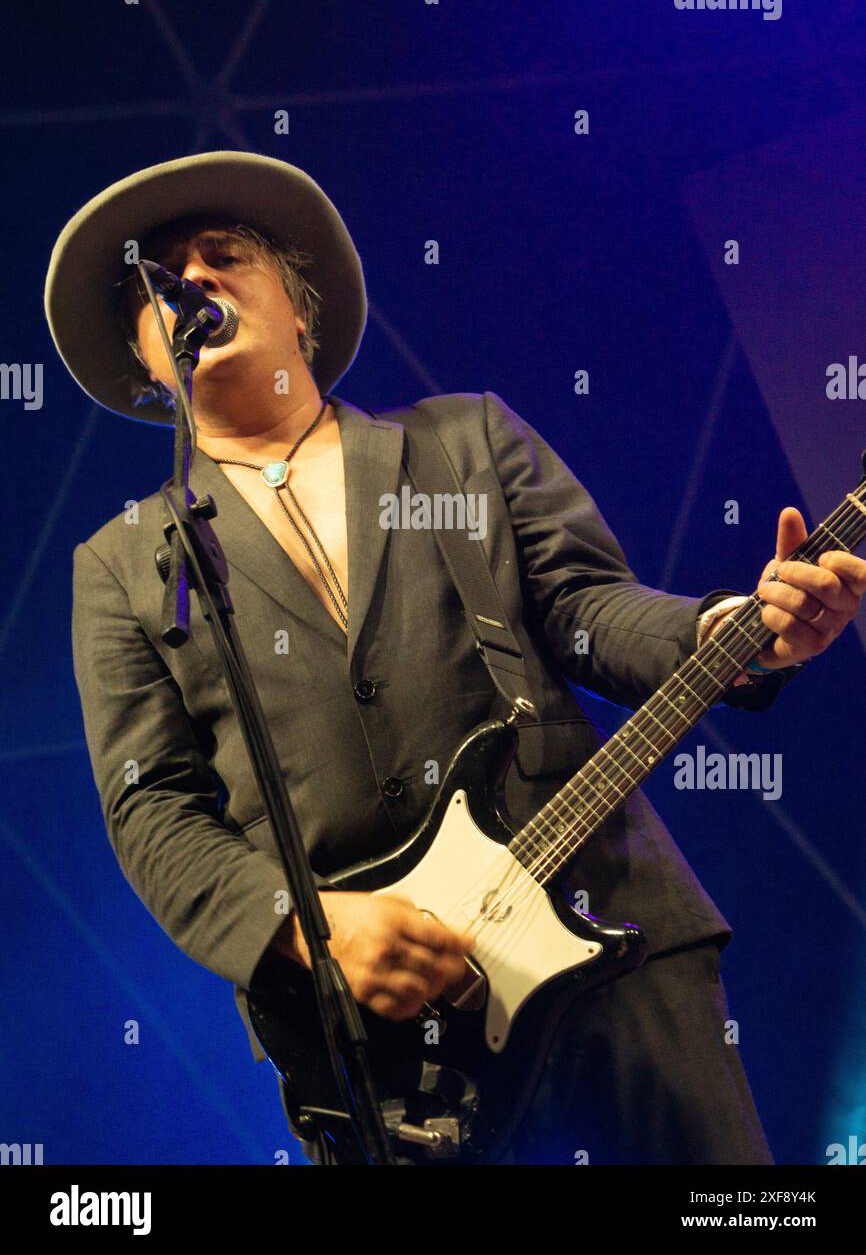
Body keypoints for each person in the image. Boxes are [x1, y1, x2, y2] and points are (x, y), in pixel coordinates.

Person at [44, 151, 866, 1166]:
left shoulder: (464, 439)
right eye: (161, 281)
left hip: (611, 926)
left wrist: (725, 633)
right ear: (148, 361)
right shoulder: (120, 564)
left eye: (223, 256)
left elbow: (587, 611)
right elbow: (152, 809)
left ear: (301, 314)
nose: (193, 281)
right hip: (383, 1048)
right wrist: (309, 931)